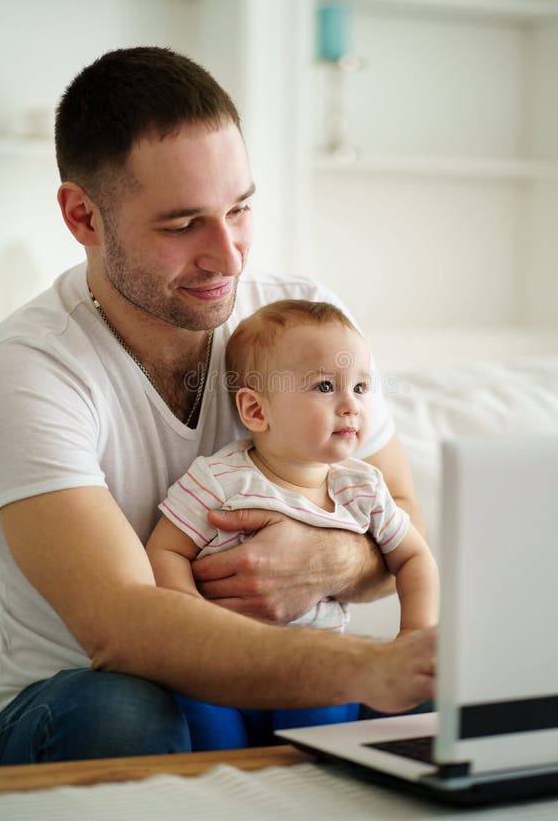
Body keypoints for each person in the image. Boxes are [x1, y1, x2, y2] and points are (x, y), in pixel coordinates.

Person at [0, 46, 435, 765]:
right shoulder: (30, 367)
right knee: (126, 713)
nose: (228, 257)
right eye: (182, 226)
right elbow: (120, 626)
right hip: (76, 694)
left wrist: (329, 561)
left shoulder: (301, 322)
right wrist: (362, 667)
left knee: (464, 693)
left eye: (239, 209)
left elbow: (403, 512)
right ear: (83, 217)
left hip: (287, 668)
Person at [146, 298, 439, 749]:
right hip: (219, 672)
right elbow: (166, 550)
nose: (351, 405)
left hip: (313, 670)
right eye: (325, 386)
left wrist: (413, 635)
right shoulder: (220, 479)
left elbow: (415, 556)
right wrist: (192, 621)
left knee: (322, 733)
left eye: (361, 387)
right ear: (256, 410)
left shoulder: (363, 489)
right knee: (207, 733)